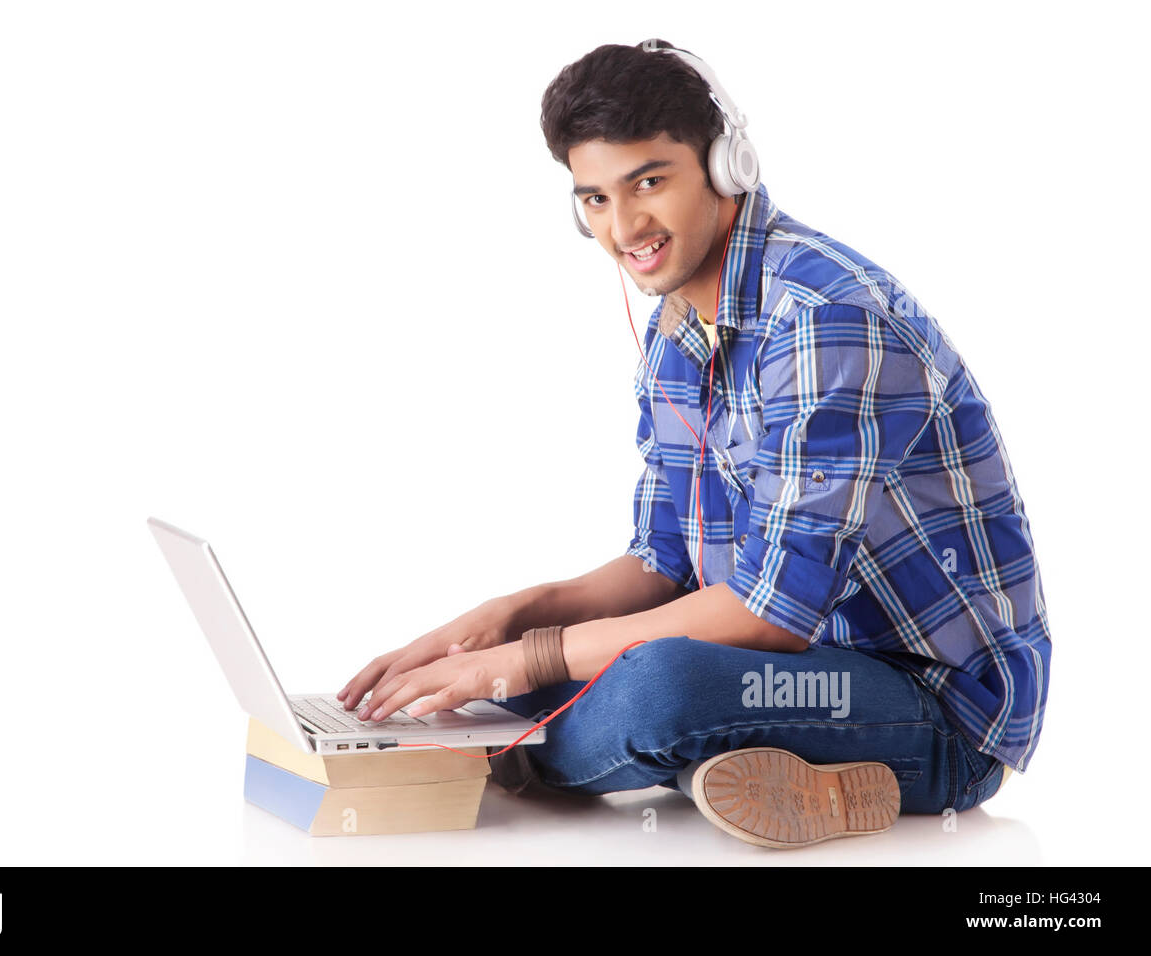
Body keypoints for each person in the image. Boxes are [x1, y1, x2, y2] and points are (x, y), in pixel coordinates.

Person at [334, 38, 1051, 849]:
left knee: (657, 687)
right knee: (542, 660)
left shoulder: (823, 318)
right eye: (596, 199)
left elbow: (773, 613)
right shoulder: (678, 325)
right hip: (781, 670)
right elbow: (661, 564)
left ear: (724, 164)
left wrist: (527, 667)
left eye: (649, 182)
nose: (624, 227)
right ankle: (752, 771)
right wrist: (511, 619)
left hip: (933, 707)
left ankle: (494, 752)